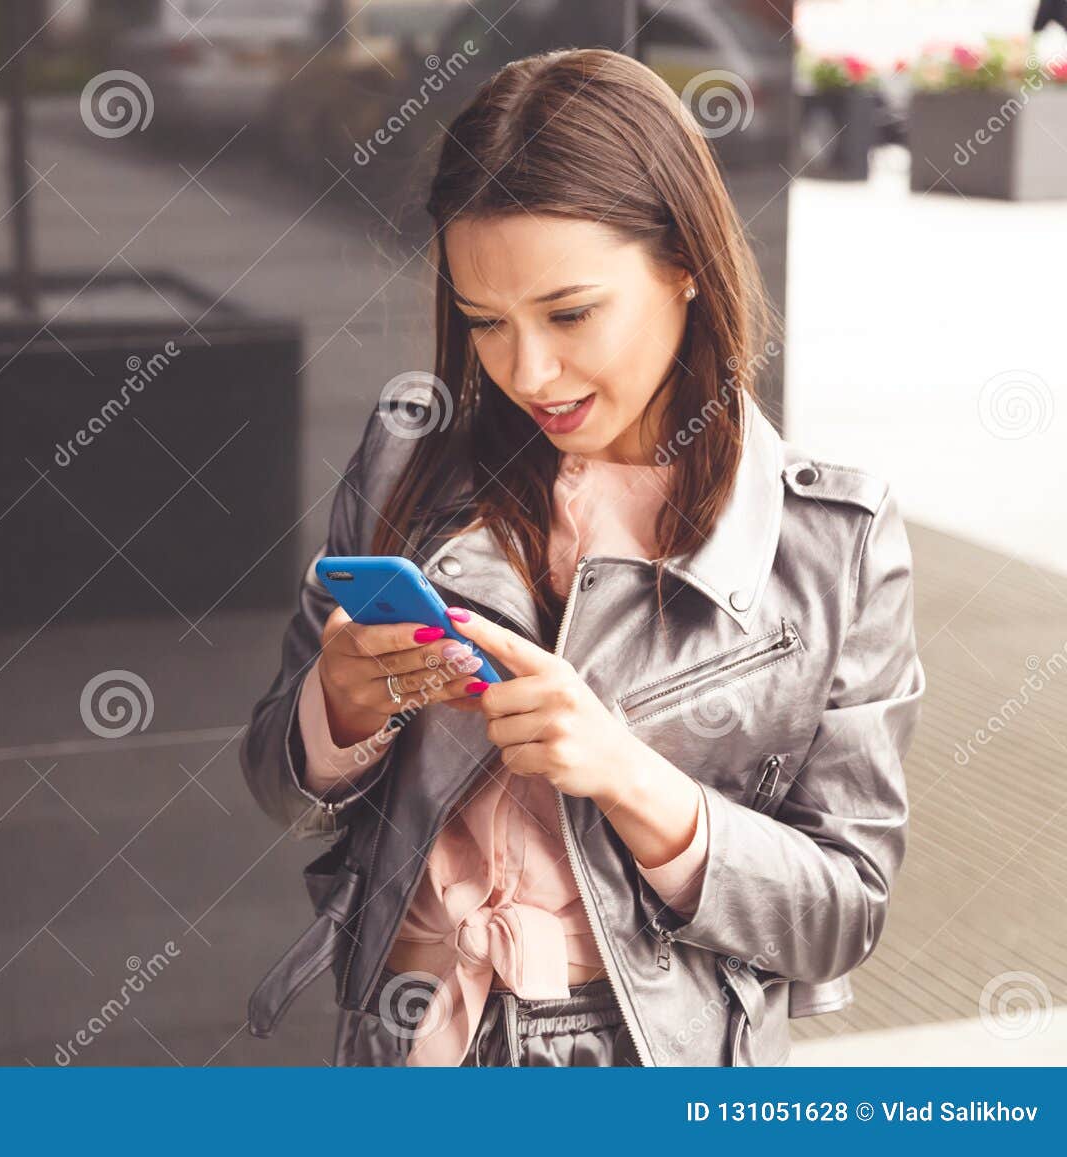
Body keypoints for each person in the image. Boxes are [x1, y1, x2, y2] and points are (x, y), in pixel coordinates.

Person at [239, 48, 925, 1067]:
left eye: (569, 313)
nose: (528, 371)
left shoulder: (833, 544)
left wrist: (631, 779)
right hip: (406, 1041)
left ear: (685, 263)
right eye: (485, 322)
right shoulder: (406, 468)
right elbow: (276, 784)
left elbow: (841, 914)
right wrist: (336, 706)